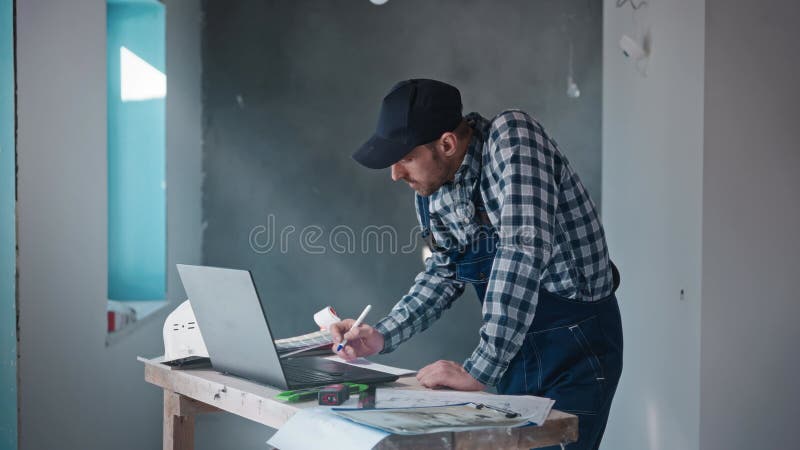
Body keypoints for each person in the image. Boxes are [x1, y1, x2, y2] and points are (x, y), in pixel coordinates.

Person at [330, 79, 623, 450]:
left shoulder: (514, 138)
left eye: (405, 158)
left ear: (447, 143)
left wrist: (479, 369)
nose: (395, 174)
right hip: (514, 352)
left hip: (577, 348)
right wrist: (383, 334)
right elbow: (443, 273)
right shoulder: (435, 190)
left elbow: (522, 250)